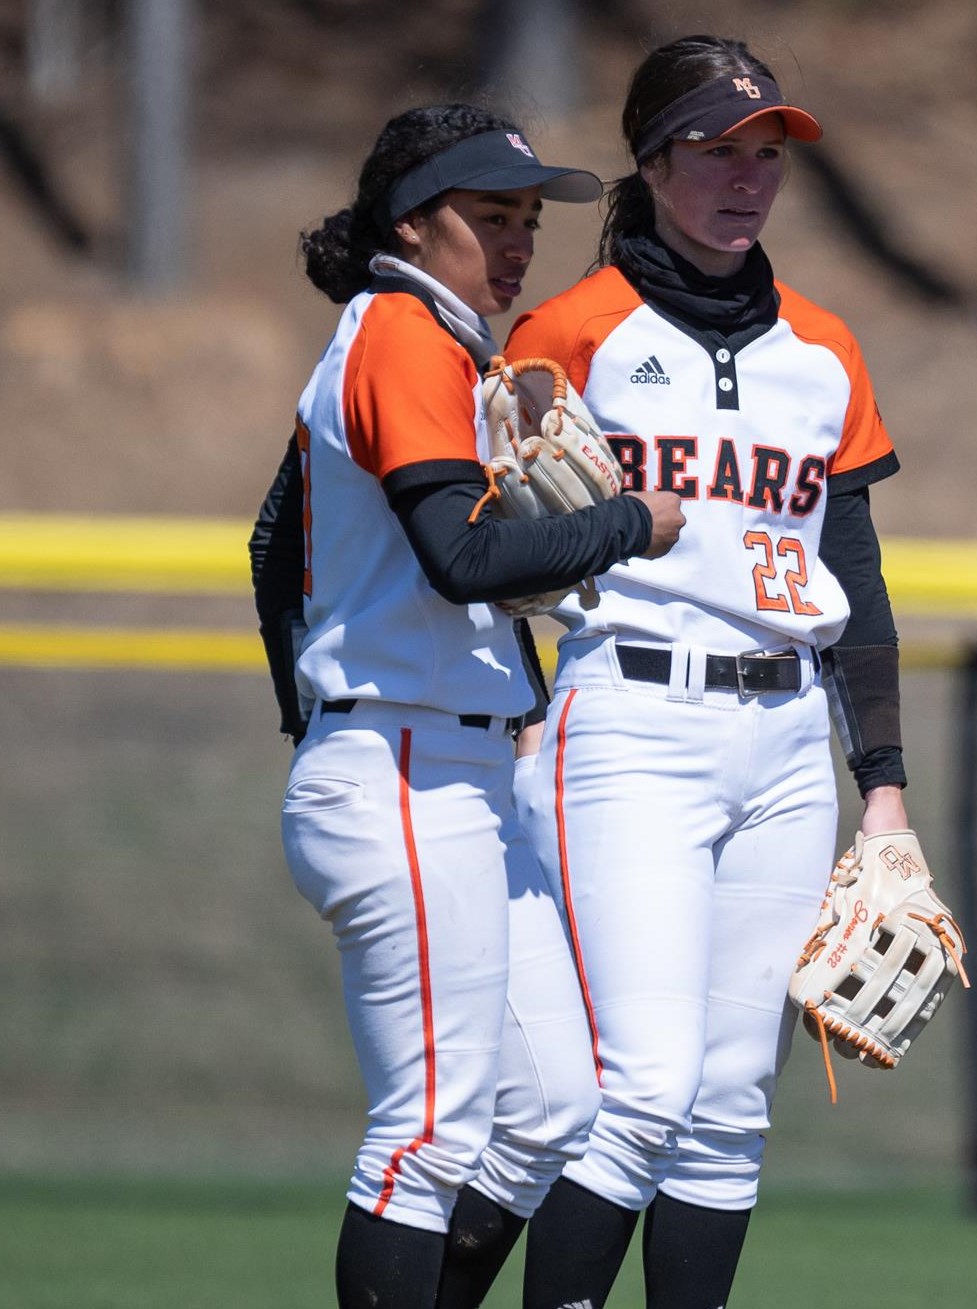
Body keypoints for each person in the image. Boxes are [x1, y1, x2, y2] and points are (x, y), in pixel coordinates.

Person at [499, 35, 912, 1309]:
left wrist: (883, 787)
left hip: (786, 740)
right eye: (714, 151)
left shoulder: (823, 348)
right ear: (652, 161)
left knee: (731, 1108)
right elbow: (487, 544)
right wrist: (525, 703)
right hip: (628, 716)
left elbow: (853, 571)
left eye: (764, 154)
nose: (745, 178)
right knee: (645, 1090)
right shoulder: (570, 330)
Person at [258, 101, 683, 1309]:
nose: (517, 244)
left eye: (528, 221)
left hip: (446, 767)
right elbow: (457, 557)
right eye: (489, 217)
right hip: (400, 765)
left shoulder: (440, 347)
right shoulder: (398, 329)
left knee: (550, 1104)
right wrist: (620, 524)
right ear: (412, 224)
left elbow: (289, 543)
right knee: (426, 1134)